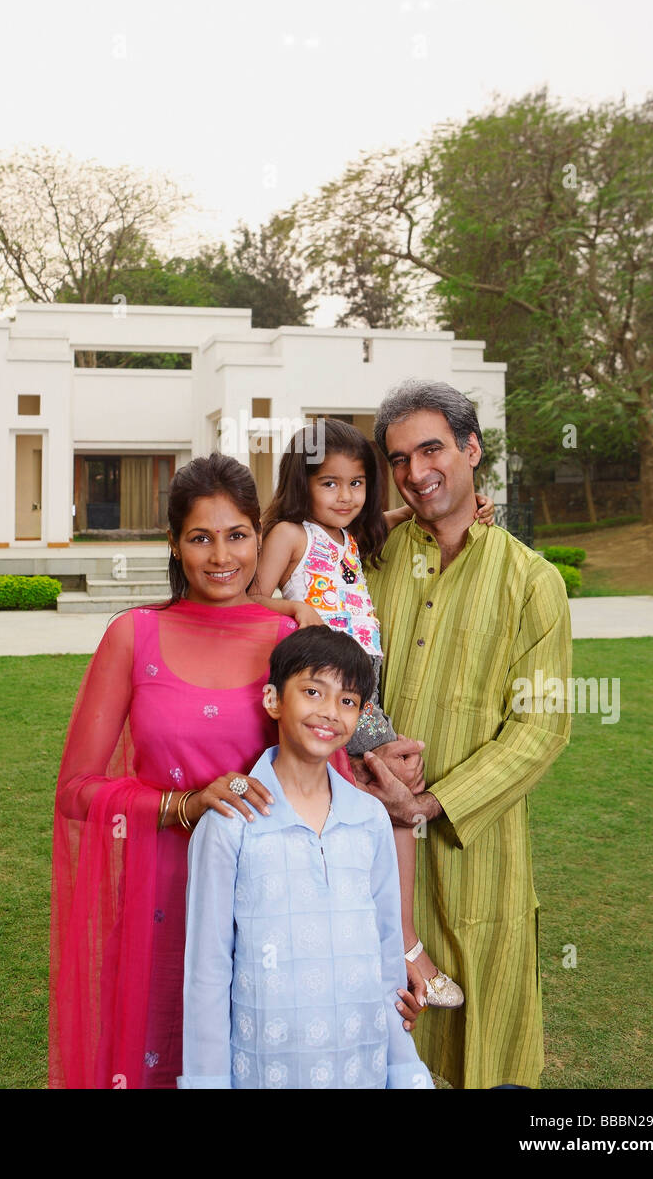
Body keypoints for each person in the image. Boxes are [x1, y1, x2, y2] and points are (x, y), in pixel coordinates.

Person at [48, 452, 419, 1089]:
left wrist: (393, 958)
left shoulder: (288, 636)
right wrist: (181, 806)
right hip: (160, 899)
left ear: (261, 533)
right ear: (173, 543)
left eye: (237, 535)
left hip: (279, 913)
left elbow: (327, 762)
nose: (222, 557)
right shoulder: (133, 637)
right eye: (200, 538)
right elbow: (77, 793)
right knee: (162, 1060)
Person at [359, 380, 572, 1089]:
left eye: (432, 449)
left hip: (480, 861)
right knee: (382, 1054)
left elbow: (541, 727)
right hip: (370, 855)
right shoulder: (373, 561)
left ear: (472, 449)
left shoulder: (530, 582)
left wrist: (430, 803)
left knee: (489, 1064)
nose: (417, 470)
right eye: (399, 459)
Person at [254, 417, 493, 1007]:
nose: (345, 496)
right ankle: (407, 944)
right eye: (330, 483)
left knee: (383, 799)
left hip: (364, 685)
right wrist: (294, 606)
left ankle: (377, 939)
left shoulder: (350, 539)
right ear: (302, 482)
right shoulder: (291, 533)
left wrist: (468, 501)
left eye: (357, 483)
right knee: (402, 801)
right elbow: (253, 596)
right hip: (328, 687)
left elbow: (403, 515)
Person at [178, 626, 434, 1090]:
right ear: (274, 699)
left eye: (348, 701)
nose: (329, 713)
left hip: (365, 1066)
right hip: (265, 1071)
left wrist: (406, 1072)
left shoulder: (371, 819)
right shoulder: (229, 823)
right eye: (313, 691)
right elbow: (207, 976)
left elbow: (386, 959)